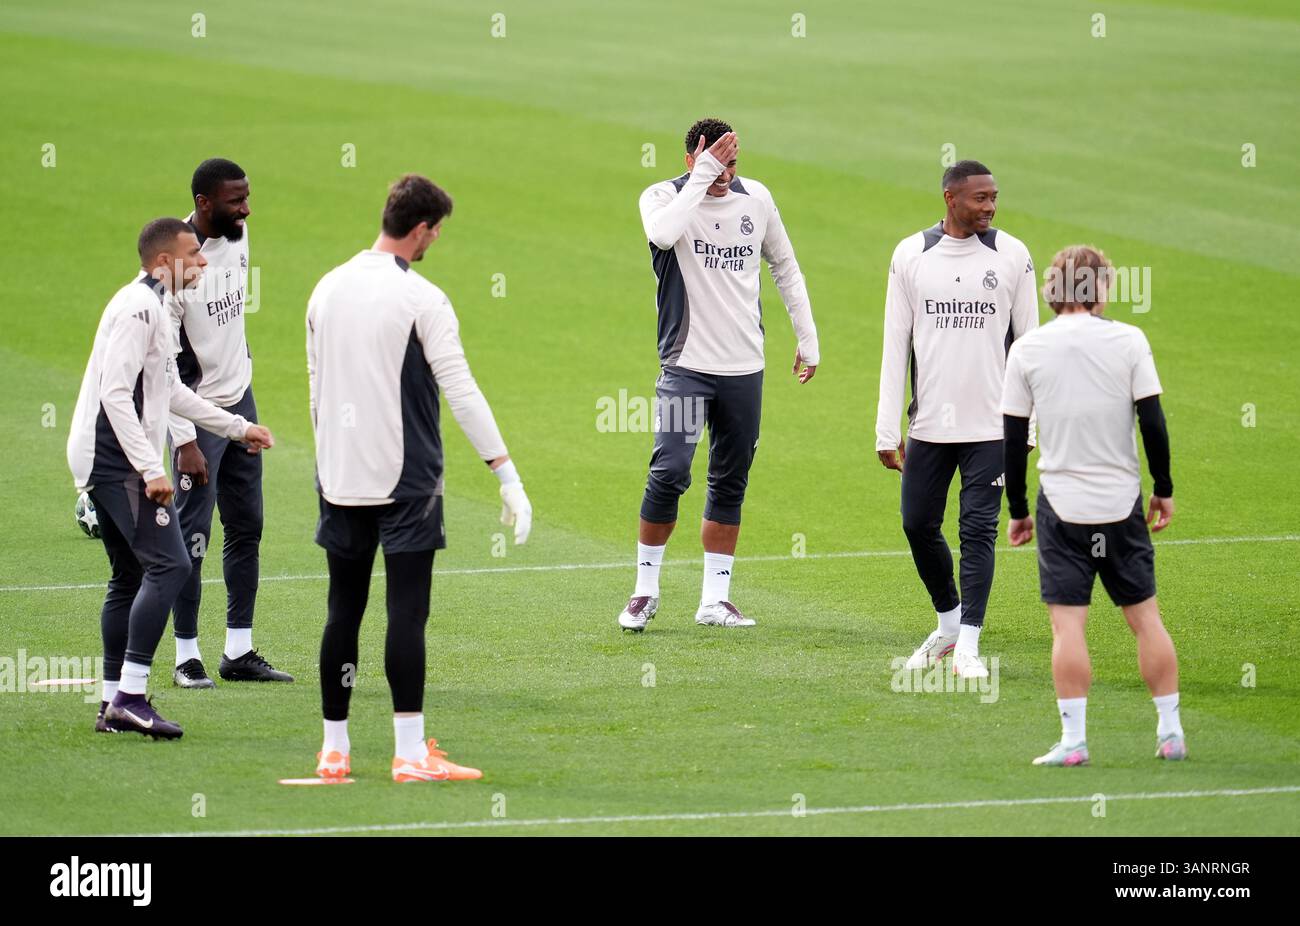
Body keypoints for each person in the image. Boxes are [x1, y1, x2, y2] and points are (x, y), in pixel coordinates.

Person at [306, 174, 532, 782]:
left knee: (341, 611)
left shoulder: (325, 288)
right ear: (423, 228)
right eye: (437, 232)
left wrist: (330, 459)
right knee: (406, 613)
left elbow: (316, 386)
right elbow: (459, 389)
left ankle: (335, 751)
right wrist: (504, 471)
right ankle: (408, 754)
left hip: (339, 474)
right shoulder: (422, 298)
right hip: (406, 480)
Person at [67, 218, 274, 738]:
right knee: (170, 565)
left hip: (109, 458)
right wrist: (151, 467)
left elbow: (171, 391)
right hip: (117, 462)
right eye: (192, 254)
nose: (204, 261)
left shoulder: (154, 306)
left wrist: (238, 427)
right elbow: (116, 394)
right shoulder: (140, 309)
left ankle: (112, 702)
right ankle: (132, 696)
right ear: (165, 262)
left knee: (128, 577)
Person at [618, 117, 820, 632]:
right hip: (686, 366)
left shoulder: (756, 200)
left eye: (732, 162)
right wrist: (702, 177)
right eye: (714, 161)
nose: (725, 173)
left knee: (731, 480)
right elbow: (664, 236)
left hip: (744, 367)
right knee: (670, 471)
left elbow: (786, 266)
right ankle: (644, 591)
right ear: (690, 159)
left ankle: (715, 599)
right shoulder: (662, 197)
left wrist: (808, 335)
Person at [1001, 245, 1185, 766]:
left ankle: (1075, 741)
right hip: (1120, 504)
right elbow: (1153, 422)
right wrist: (1163, 488)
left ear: (1052, 291)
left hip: (1062, 507)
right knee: (1146, 619)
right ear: (1100, 288)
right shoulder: (1129, 340)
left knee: (1069, 627)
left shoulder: (1029, 349)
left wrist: (1017, 509)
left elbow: (1013, 438)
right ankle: (1170, 731)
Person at [874, 160, 1039, 678]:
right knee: (917, 524)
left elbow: (1029, 346)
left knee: (977, 531)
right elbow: (894, 345)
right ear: (950, 198)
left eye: (994, 197)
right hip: (929, 426)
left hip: (994, 427)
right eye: (980, 198)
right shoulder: (911, 255)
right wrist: (885, 427)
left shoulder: (1013, 255)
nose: (990, 206)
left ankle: (968, 642)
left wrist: (1030, 426)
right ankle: (947, 622)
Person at [167, 158, 290, 687]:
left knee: (247, 525)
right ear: (203, 203)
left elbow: (230, 320)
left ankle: (237, 649)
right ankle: (185, 656)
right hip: (197, 417)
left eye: (248, 196)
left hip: (242, 402)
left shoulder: (238, 235)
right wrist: (184, 438)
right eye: (236, 200)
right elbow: (163, 364)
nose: (247, 208)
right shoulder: (174, 267)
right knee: (192, 536)